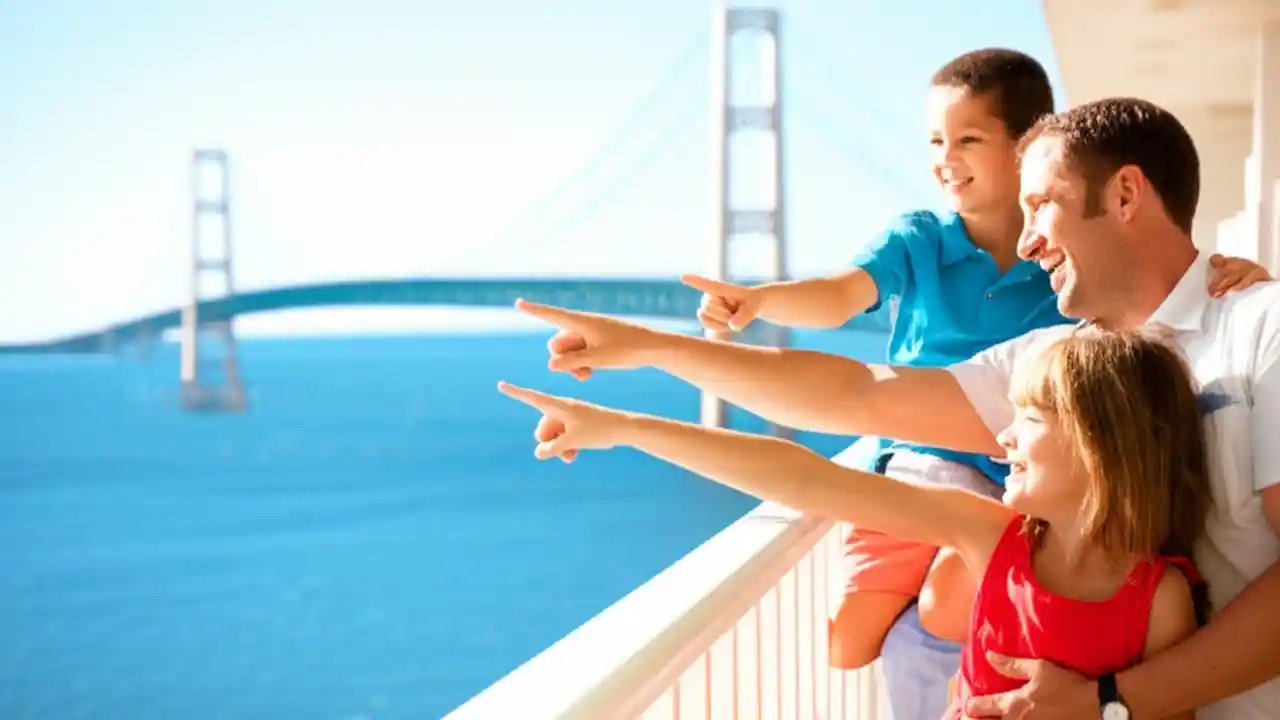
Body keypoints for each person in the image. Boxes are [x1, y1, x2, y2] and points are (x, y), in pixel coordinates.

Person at [513, 97, 1280, 718]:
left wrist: (1107, 703)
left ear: (1124, 193)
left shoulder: (1260, 324)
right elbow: (857, 395)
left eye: (1041, 203)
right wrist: (655, 349)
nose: (1028, 235)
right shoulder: (1054, 366)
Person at [498, 328, 1210, 720]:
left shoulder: (1161, 599)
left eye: (1027, 420)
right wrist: (627, 428)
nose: (1003, 442)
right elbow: (807, 478)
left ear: (1098, 443)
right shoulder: (989, 536)